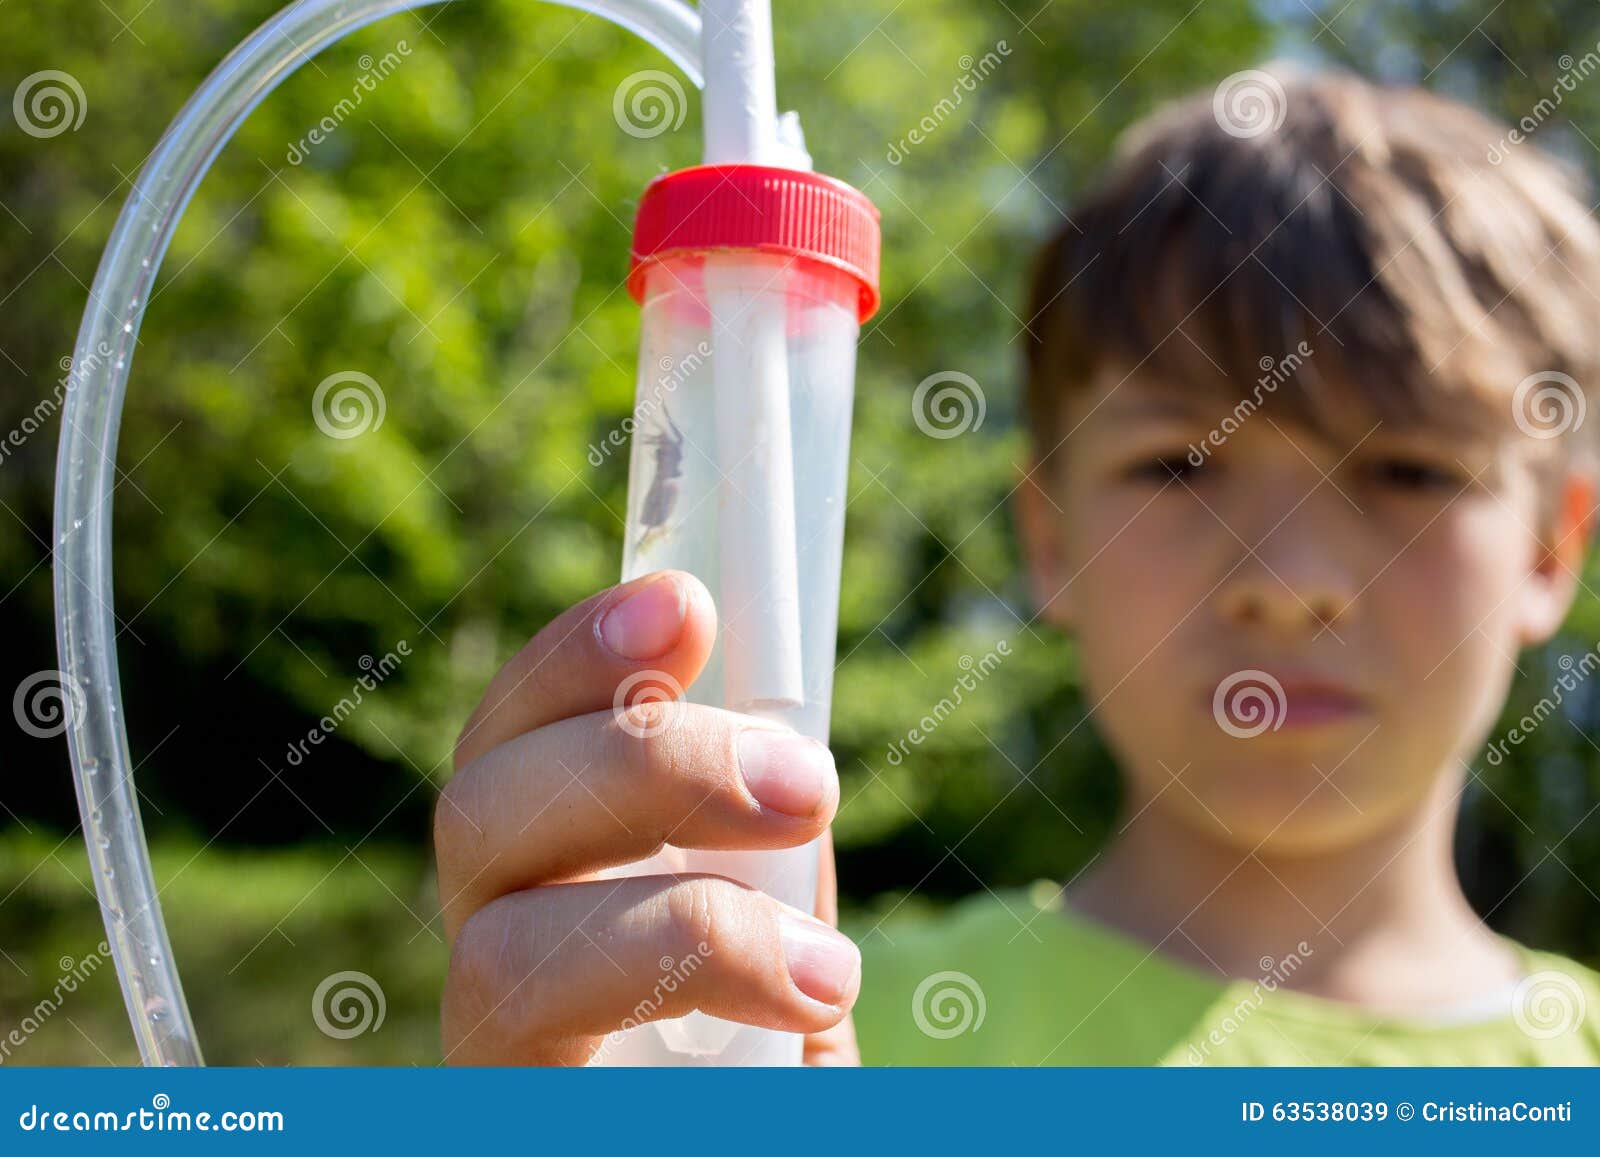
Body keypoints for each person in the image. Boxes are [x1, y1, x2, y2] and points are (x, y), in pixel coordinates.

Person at [434, 67, 1600, 1065]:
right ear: (1047, 535)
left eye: (1407, 471)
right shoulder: (786, 1027)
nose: (1288, 579)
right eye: (1180, 465)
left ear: (1554, 543)